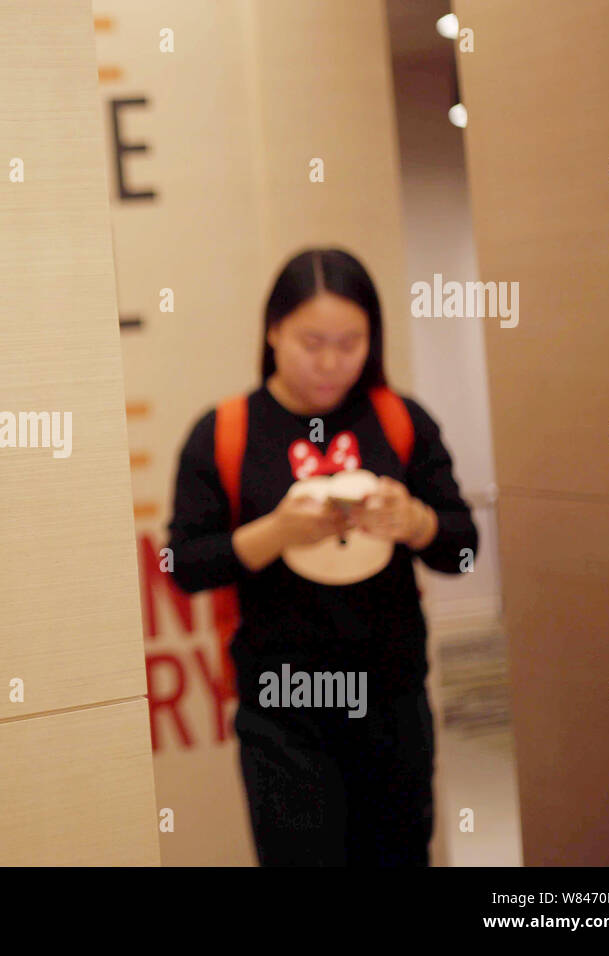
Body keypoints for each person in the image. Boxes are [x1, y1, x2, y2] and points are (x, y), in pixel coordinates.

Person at [165, 247, 478, 866]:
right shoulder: (225, 431)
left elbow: (462, 549)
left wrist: (414, 521)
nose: (332, 363)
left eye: (351, 342)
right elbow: (185, 565)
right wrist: (276, 532)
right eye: (312, 342)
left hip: (390, 701)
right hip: (285, 709)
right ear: (273, 330)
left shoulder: (399, 420)